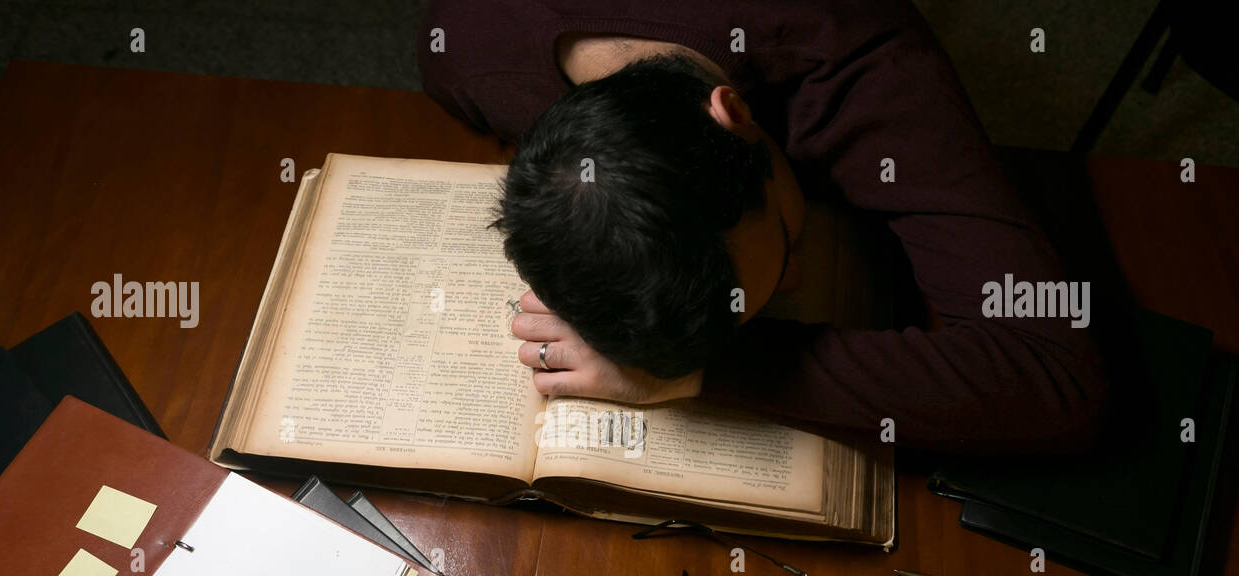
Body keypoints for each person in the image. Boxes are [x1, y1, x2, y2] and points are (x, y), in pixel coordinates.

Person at [417, 0, 1109, 453]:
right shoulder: (466, 48)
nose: (798, 276)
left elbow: (1051, 371)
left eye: (783, 248)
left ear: (734, 114)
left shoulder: (862, 60)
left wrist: (705, 375)